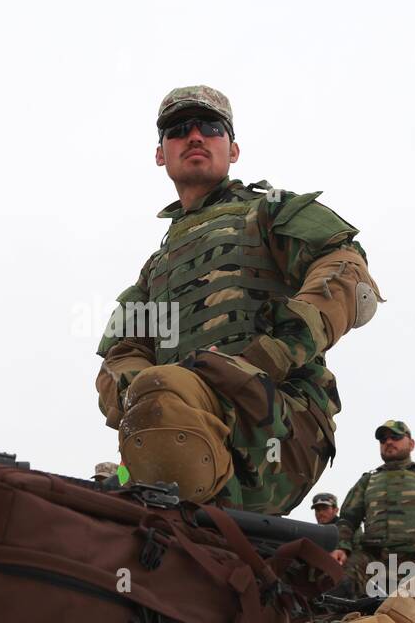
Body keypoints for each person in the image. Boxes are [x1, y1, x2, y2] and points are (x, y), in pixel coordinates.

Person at [95, 85, 382, 516]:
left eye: (210, 127)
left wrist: (275, 350)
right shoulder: (156, 268)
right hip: (181, 424)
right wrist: (137, 394)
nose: (194, 136)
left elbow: (347, 271)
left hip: (275, 419)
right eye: (178, 129)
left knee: (163, 394)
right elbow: (122, 352)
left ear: (233, 149)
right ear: (160, 154)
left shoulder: (268, 211)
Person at [332, 420, 415, 584]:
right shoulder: (367, 481)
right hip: (374, 561)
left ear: (411, 444)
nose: (388, 442)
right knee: (338, 581)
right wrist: (341, 547)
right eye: (383, 439)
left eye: (395, 437)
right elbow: (347, 520)